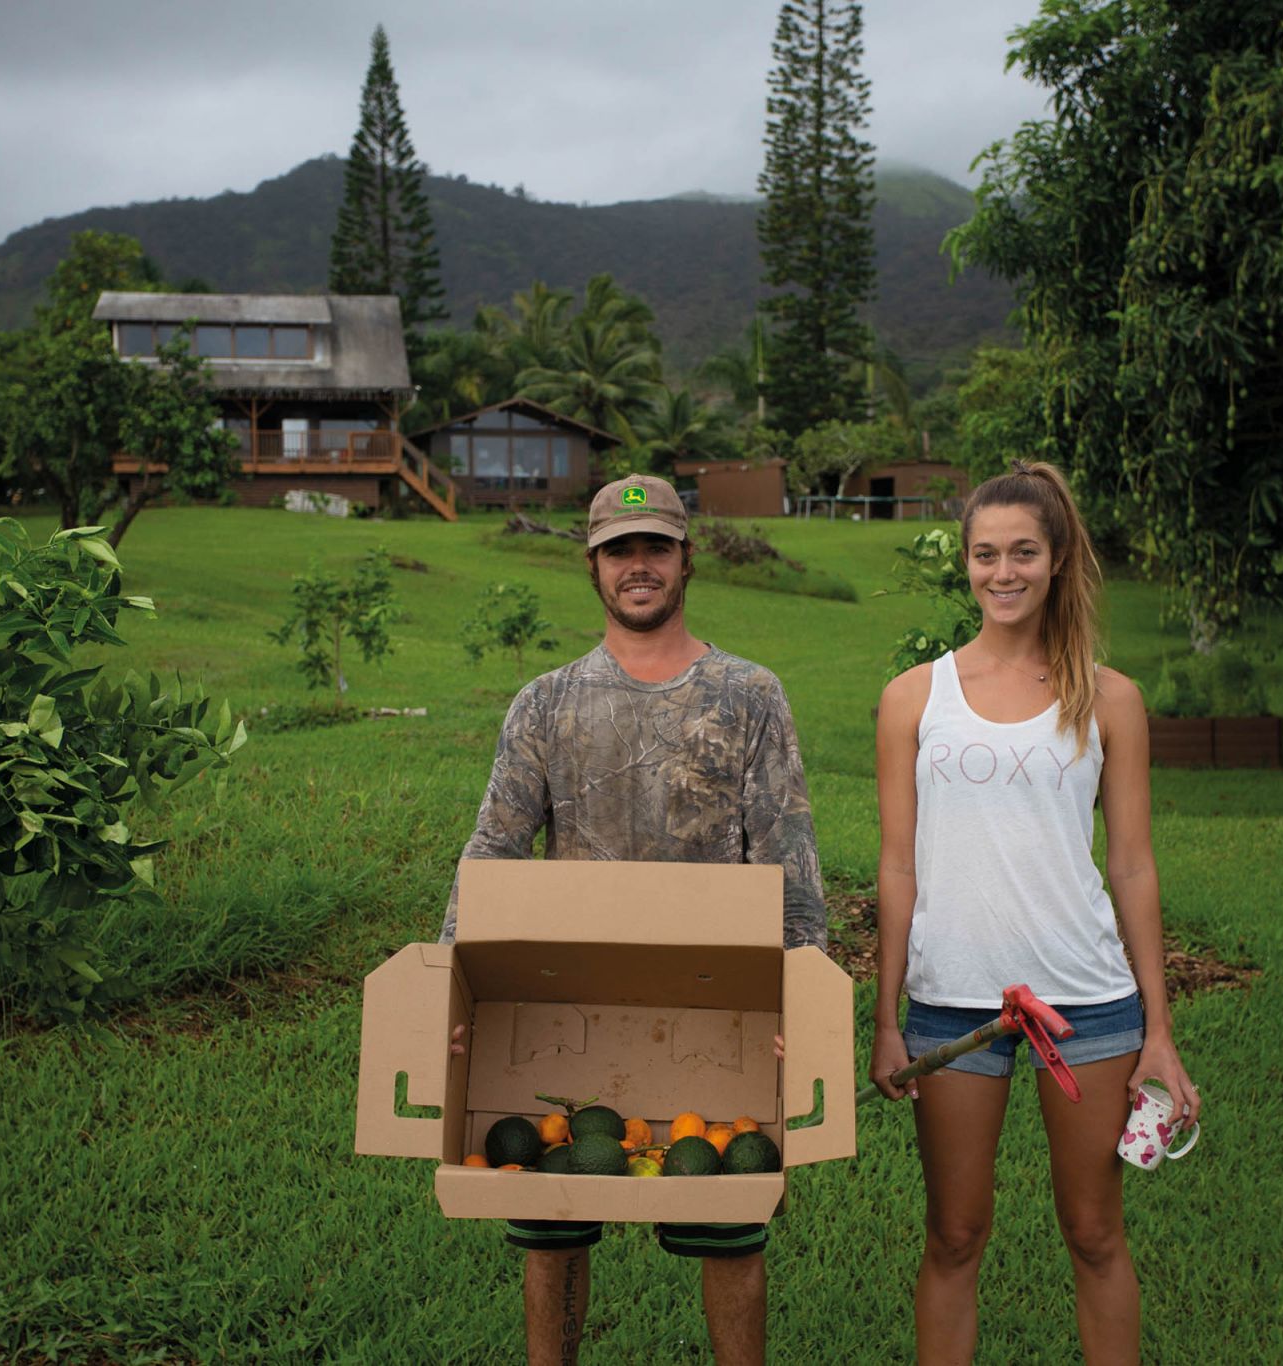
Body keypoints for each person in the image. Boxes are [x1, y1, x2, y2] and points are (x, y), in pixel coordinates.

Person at [441, 472, 825, 1366]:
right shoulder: (547, 703)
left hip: (716, 1006)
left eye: (656, 547)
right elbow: (492, 849)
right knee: (552, 1211)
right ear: (593, 565)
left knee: (728, 1217)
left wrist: (804, 996)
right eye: (620, 550)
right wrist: (446, 995)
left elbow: (791, 861)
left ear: (688, 560)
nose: (638, 565)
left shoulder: (748, 695)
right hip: (570, 1004)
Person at [867, 462, 1200, 1365]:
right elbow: (896, 867)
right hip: (951, 1004)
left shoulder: (1110, 698)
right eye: (985, 554)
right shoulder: (914, 698)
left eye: (1023, 552)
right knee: (954, 1235)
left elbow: (1132, 865)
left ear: (1057, 561)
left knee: (1094, 1233)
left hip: (1088, 1003)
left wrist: (1159, 1029)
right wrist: (886, 1019)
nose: (1002, 572)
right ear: (966, 564)